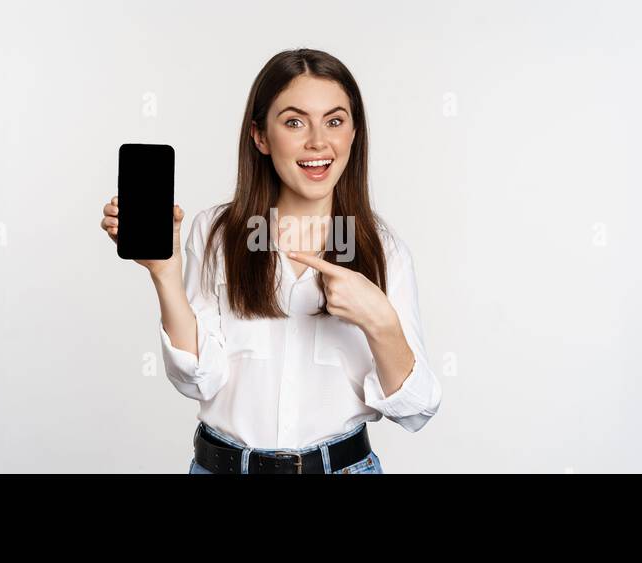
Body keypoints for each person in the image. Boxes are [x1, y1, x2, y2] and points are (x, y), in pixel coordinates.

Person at [101, 48, 441, 474]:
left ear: (354, 134)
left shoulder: (383, 250)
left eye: (335, 121)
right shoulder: (216, 233)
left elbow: (417, 410)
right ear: (261, 136)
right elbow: (197, 379)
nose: (318, 141)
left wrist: (381, 322)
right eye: (295, 122)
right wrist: (164, 273)